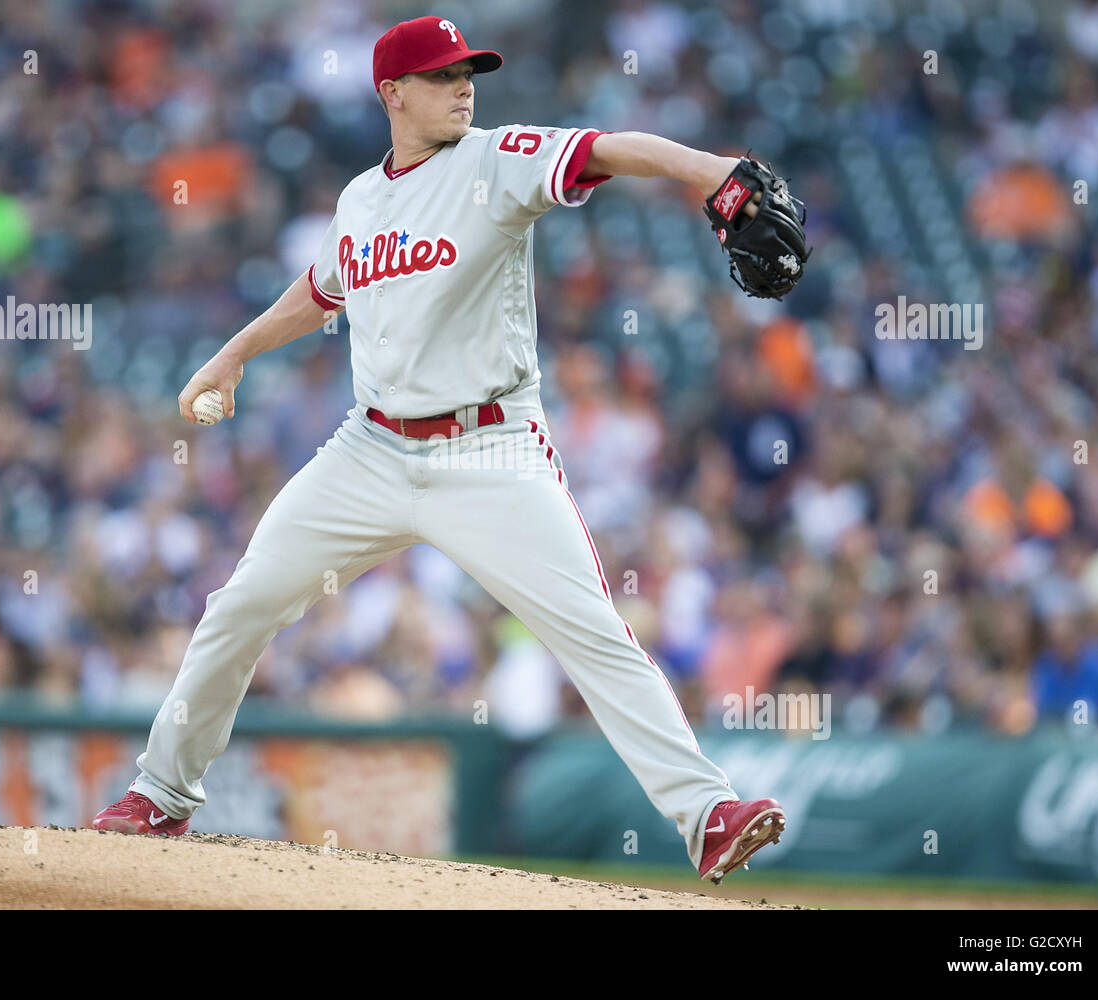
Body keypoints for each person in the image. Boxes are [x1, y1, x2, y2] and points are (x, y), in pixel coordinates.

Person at [94, 14, 787, 884]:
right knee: (239, 605)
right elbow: (320, 289)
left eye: (469, 71)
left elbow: (613, 147)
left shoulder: (497, 161)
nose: (464, 85)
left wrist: (712, 171)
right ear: (391, 93)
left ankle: (708, 814)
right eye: (441, 75)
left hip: (489, 448)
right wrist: (233, 354)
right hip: (369, 449)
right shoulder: (361, 198)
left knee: (594, 634)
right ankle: (161, 794)